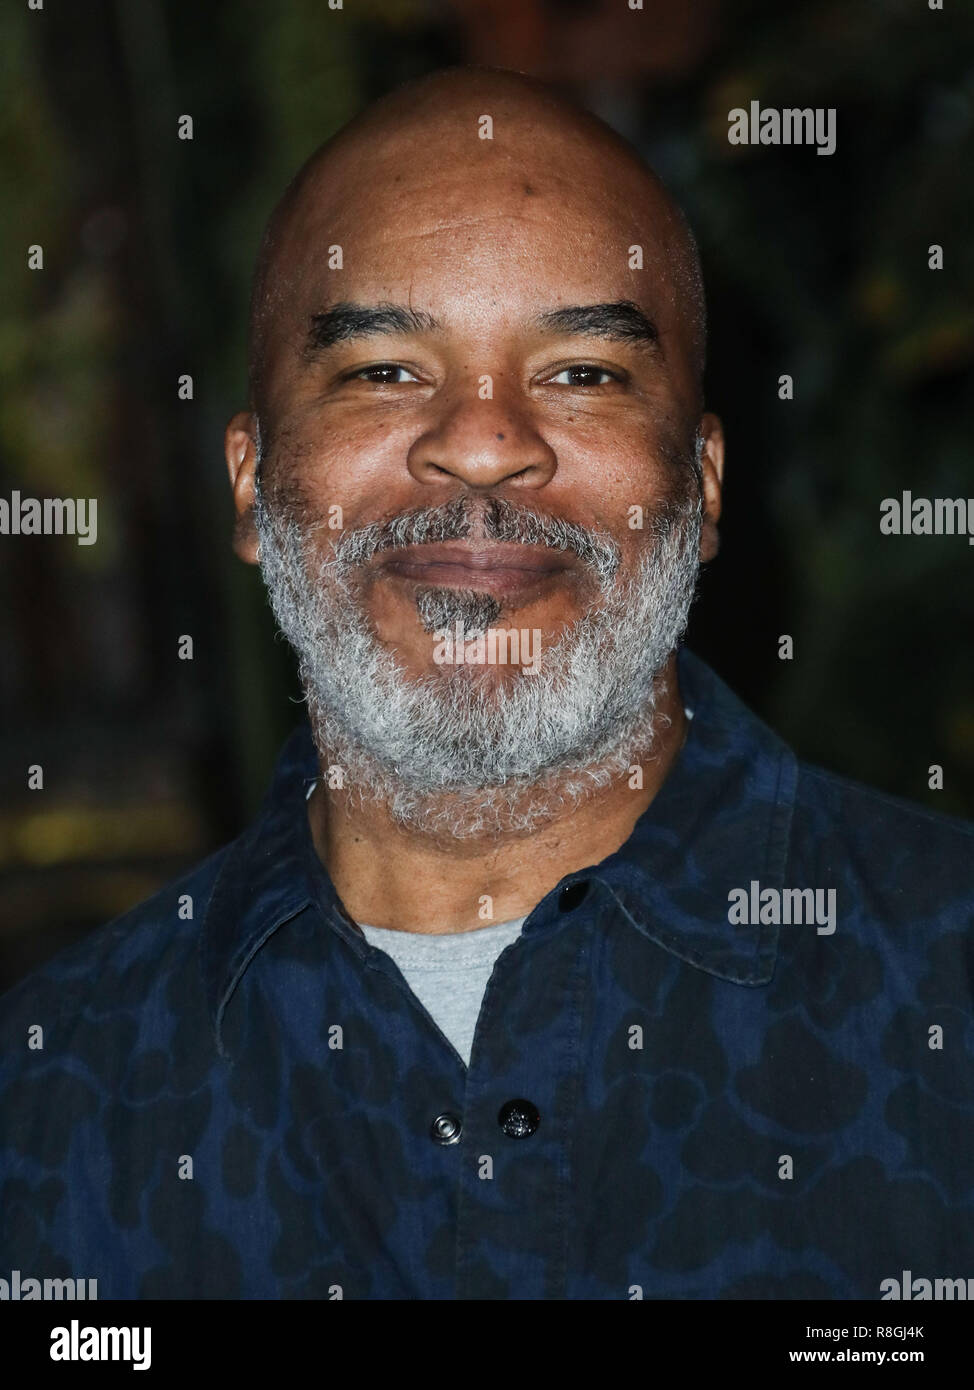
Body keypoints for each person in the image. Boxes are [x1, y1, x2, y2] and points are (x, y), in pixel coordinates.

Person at [1, 66, 972, 1302]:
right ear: (250, 483)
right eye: (383, 370)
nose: (481, 440)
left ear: (705, 484)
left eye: (581, 372)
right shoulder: (51, 1106)